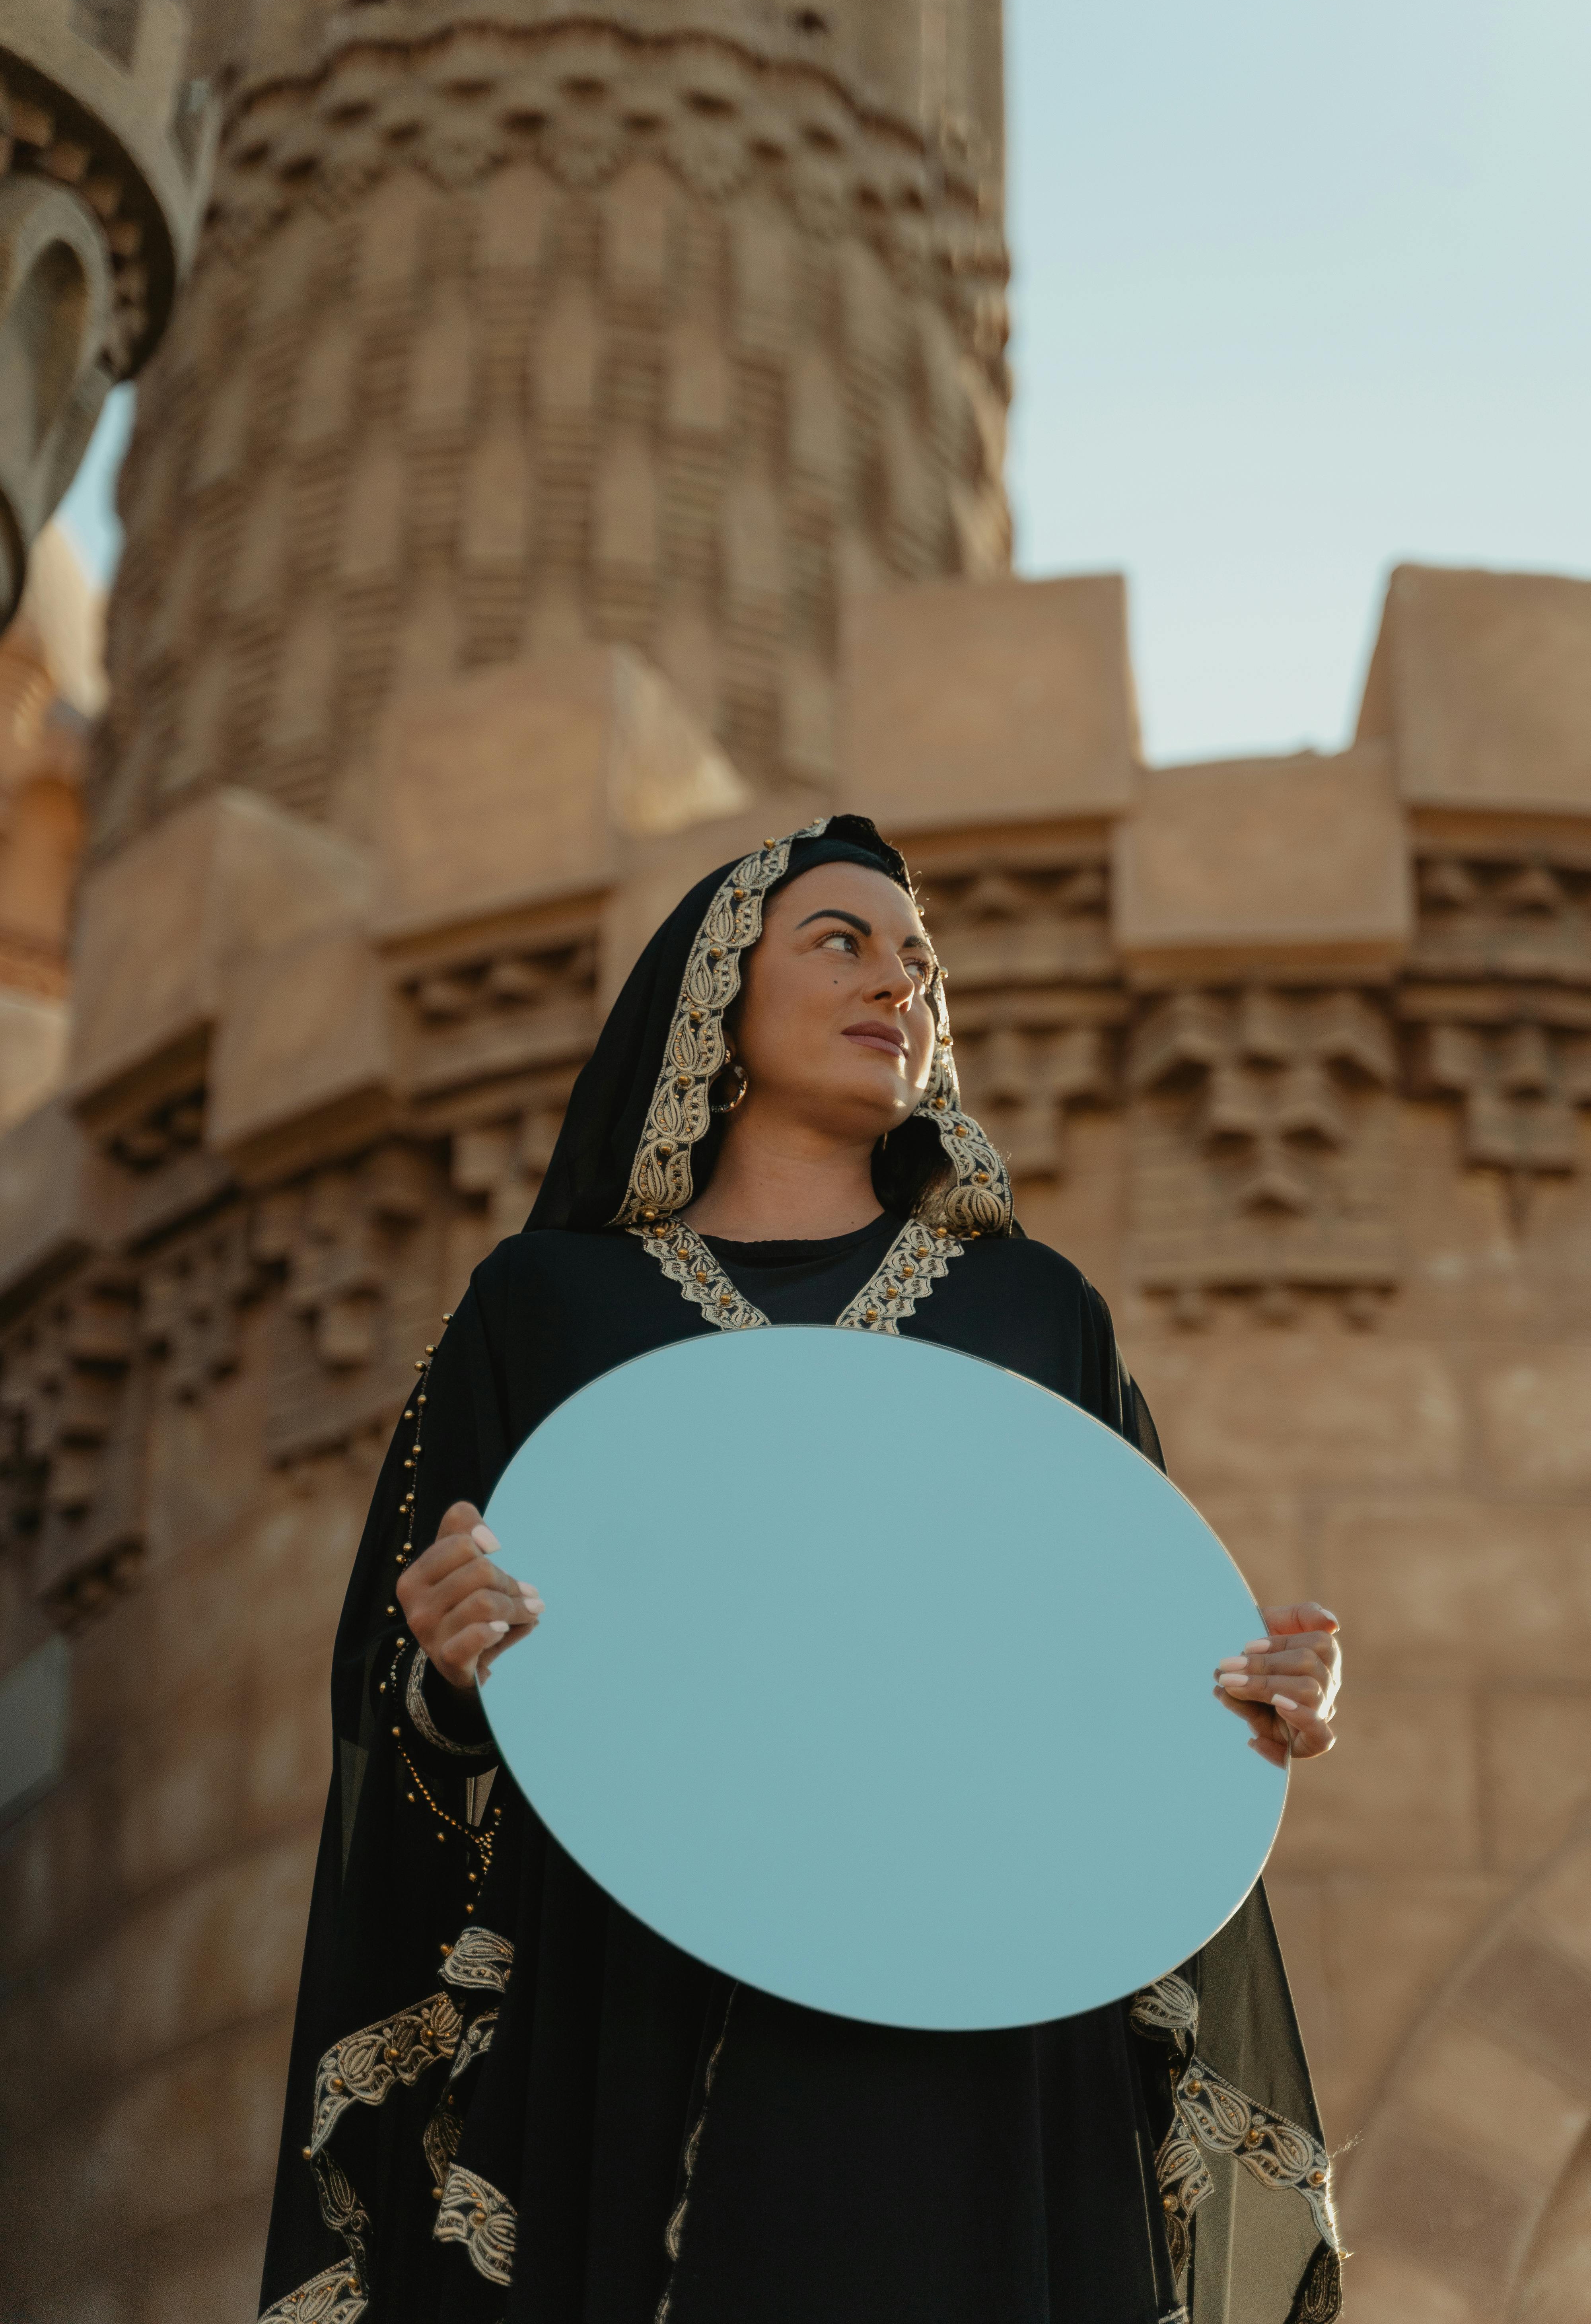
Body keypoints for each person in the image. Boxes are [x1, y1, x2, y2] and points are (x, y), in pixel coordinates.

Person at [260, 817, 1345, 2324]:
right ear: (715, 996)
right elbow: (417, 1733)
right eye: (838, 943)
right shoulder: (548, 1310)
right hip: (639, 1977)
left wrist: (1246, 1706)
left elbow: (1114, 1660)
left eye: (920, 962)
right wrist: (447, 1665)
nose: (896, 983)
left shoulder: (1033, 1317)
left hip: (983, 1996)